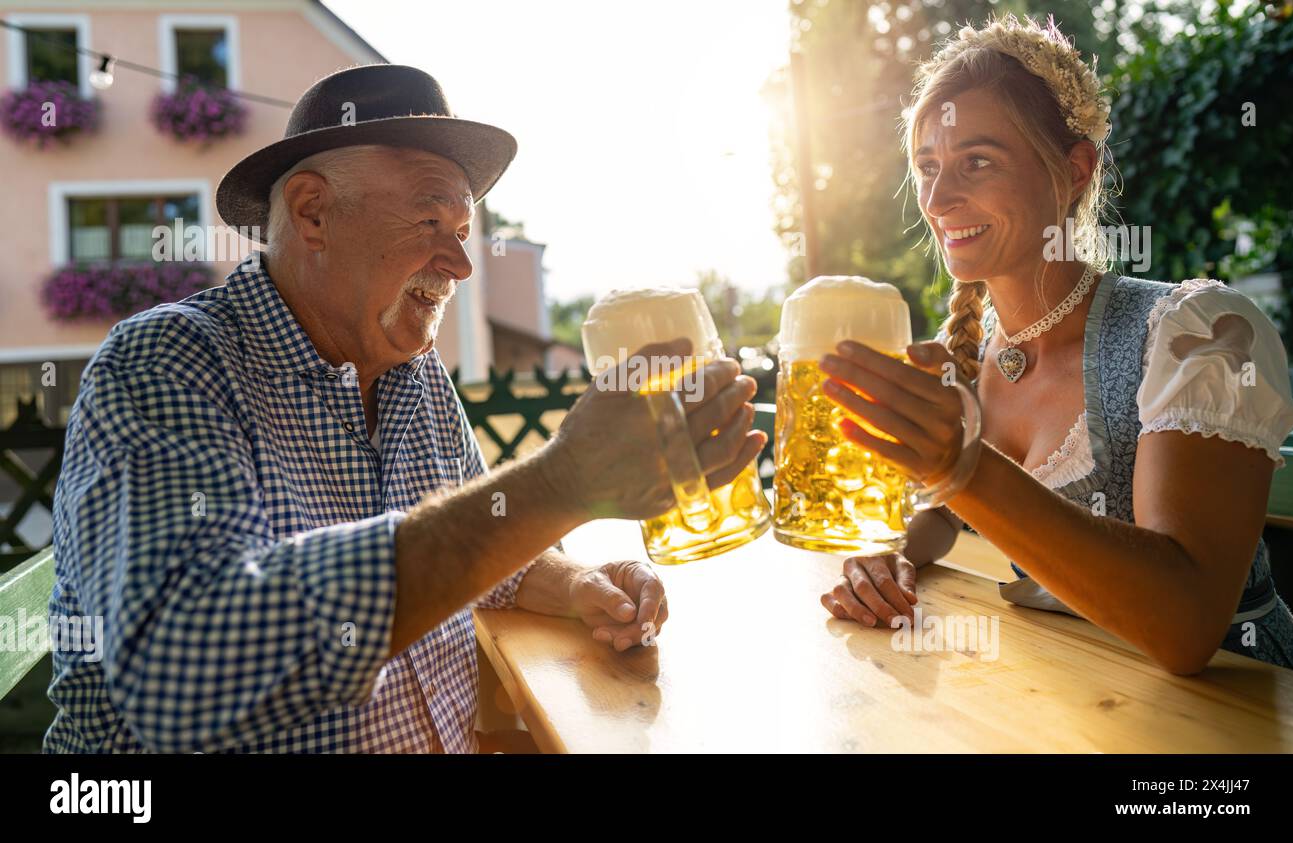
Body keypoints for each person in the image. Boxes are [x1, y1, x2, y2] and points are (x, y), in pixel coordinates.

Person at [45, 64, 765, 753]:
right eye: (430, 221)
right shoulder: (168, 361)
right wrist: (560, 481)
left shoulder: (412, 371)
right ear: (313, 210)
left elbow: (480, 541)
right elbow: (178, 669)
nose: (460, 264)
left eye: (463, 229)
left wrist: (576, 582)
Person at [816, 15, 1293, 675]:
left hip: (1239, 710)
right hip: (1066, 694)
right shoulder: (963, 350)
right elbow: (941, 513)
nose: (937, 196)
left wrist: (961, 467)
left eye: (976, 161)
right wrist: (896, 550)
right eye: (927, 167)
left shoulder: (1198, 334)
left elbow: (1187, 626)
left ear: (1074, 171)